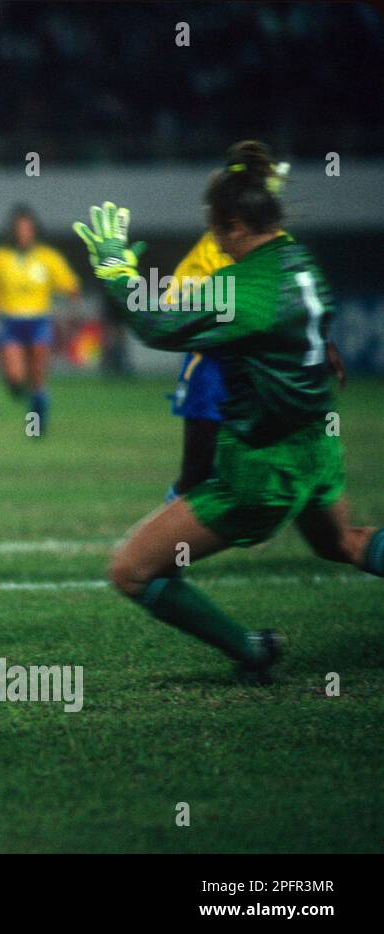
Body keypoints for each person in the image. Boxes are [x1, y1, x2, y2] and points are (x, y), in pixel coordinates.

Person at [74, 178, 383, 683]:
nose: (213, 242)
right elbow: (309, 327)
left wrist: (115, 270)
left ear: (235, 226)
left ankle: (251, 650)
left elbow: (156, 325)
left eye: (216, 231)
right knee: (344, 543)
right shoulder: (301, 265)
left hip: (260, 470)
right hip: (317, 449)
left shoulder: (239, 289)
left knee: (130, 570)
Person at [162, 142, 345, 501]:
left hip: (262, 370)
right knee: (198, 472)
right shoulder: (217, 243)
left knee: (267, 465)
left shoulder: (277, 244)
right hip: (214, 368)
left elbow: (298, 302)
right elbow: (175, 306)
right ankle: (176, 546)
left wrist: (324, 341)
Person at [0, 205, 80, 435]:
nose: (23, 233)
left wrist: (72, 292)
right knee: (15, 378)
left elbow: (69, 284)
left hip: (38, 321)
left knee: (38, 378)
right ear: (12, 232)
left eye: (27, 229)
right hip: (10, 322)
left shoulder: (48, 258)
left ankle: (37, 422)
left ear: (34, 231)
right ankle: (23, 394)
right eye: (19, 229)